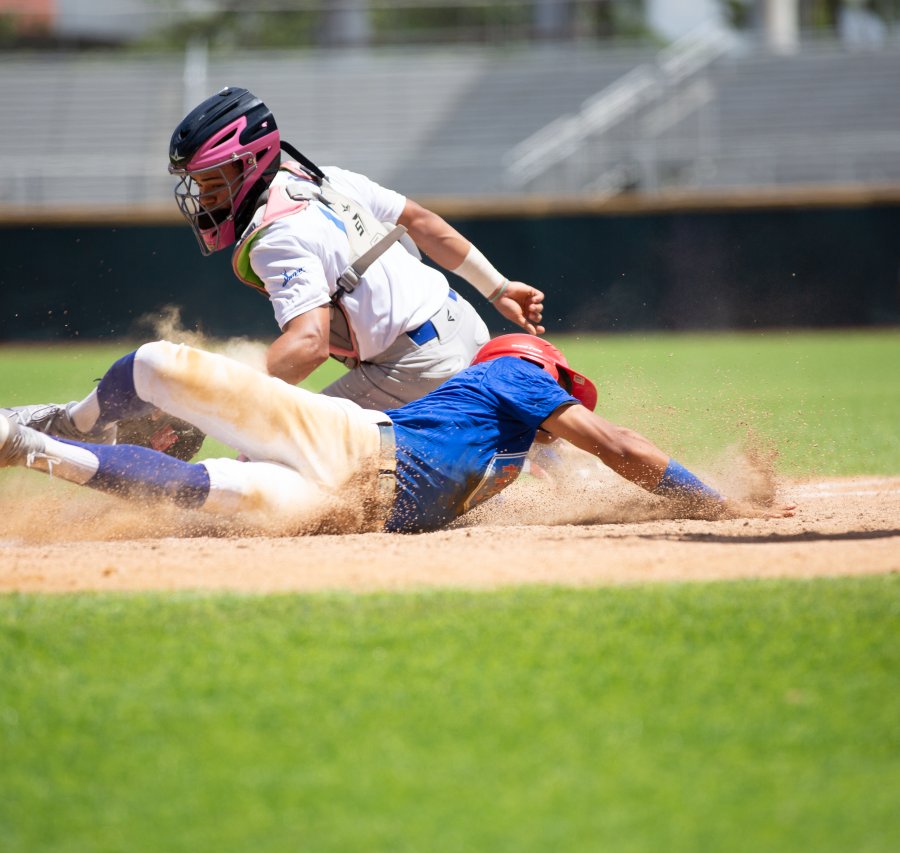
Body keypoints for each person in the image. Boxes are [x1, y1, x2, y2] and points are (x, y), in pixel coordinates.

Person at [1, 85, 544, 452]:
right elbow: (422, 222)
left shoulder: (275, 235)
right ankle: (546, 462)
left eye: (213, 179)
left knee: (266, 463)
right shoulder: (326, 178)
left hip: (413, 367)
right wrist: (497, 287)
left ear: (249, 162)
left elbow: (307, 346)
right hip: (464, 323)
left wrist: (206, 397)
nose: (204, 195)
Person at [0, 335, 794, 534]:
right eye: (563, 383)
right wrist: (721, 506)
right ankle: (63, 420)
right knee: (164, 364)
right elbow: (622, 451)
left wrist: (710, 498)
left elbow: (602, 478)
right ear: (537, 371)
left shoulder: (510, 453)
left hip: (345, 508)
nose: (565, 399)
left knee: (201, 490)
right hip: (351, 444)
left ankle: (26, 448)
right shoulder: (516, 378)